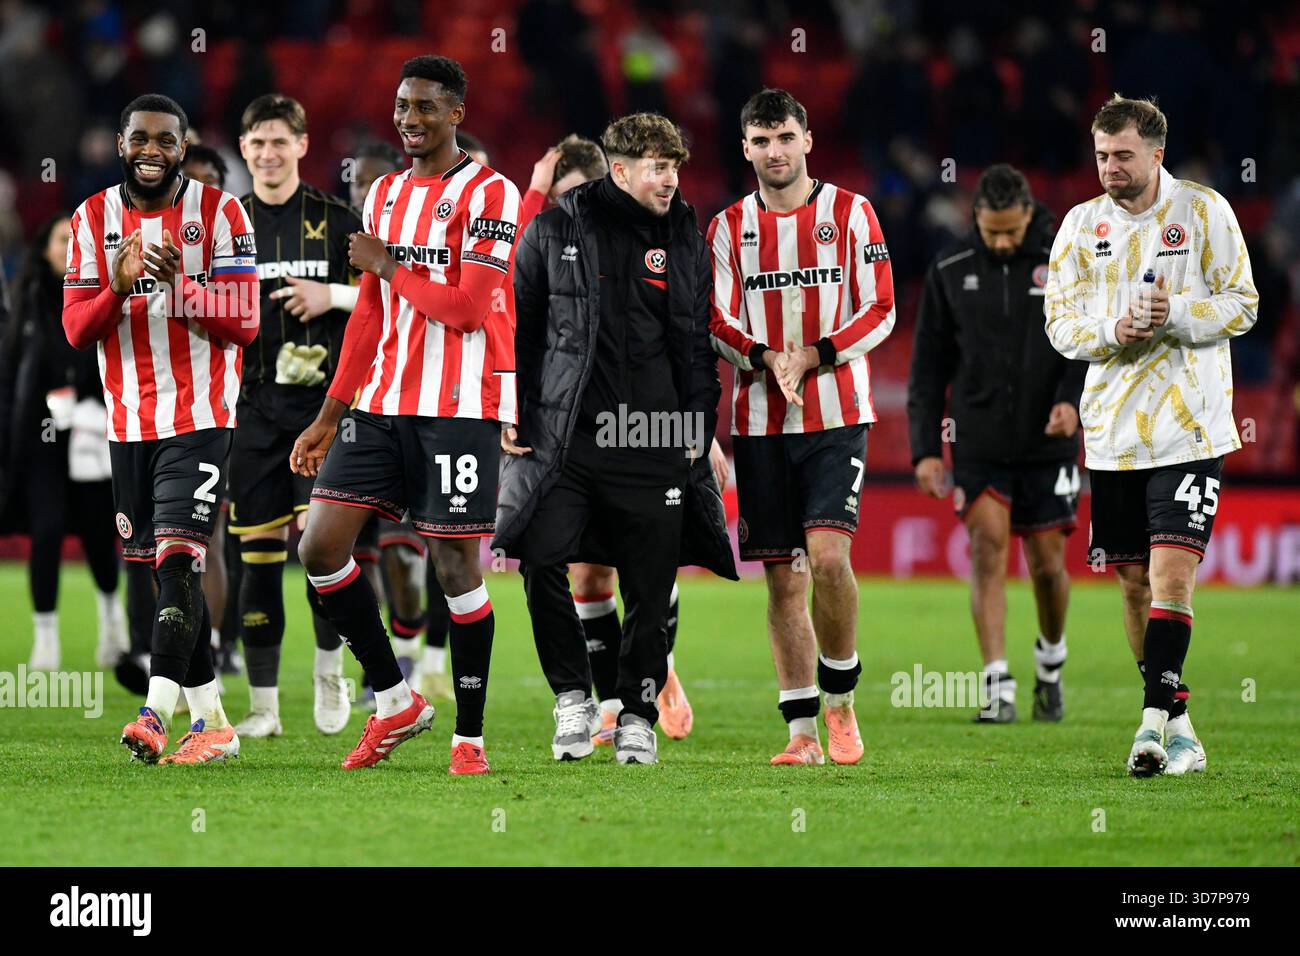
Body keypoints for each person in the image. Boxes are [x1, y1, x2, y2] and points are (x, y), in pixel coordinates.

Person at [291, 55, 521, 776]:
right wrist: (330, 414)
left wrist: (390, 265)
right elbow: (367, 315)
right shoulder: (384, 192)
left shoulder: (492, 193)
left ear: (457, 112)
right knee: (320, 549)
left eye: (425, 107)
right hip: (381, 405)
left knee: (455, 567)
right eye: (401, 107)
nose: (410, 120)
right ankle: (395, 700)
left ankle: (469, 740)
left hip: (456, 409)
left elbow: (467, 307)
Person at [495, 112, 736, 766]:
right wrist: (511, 405)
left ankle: (635, 714)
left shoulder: (683, 234)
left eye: (675, 167)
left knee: (651, 588)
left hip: (653, 437)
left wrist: (697, 427)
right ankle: (573, 698)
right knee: (542, 560)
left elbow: (693, 343)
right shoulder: (556, 228)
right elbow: (519, 321)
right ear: (620, 170)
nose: (669, 180)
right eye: (657, 168)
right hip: (568, 438)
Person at [1044, 94, 1257, 776]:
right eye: (1102, 155)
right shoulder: (1079, 226)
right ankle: (1182, 728)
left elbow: (1243, 303)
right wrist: (1113, 331)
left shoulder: (1203, 211)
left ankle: (1147, 727)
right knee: (1133, 582)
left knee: (1170, 577)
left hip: (1190, 430)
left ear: (1156, 154)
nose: (1109, 167)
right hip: (1112, 437)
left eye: (1123, 156)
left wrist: (1177, 314)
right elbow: (1059, 324)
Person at [62, 93, 260, 764]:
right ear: (121, 145)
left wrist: (184, 290)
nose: (152, 150)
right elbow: (75, 328)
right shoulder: (91, 219)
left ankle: (153, 714)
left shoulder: (223, 213)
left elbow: (245, 322)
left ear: (184, 147)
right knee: (158, 577)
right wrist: (117, 287)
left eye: (165, 141)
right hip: (128, 424)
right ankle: (215, 725)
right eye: (139, 138)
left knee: (181, 564)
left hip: (201, 417)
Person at [709, 89, 895, 766]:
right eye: (760, 142)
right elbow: (717, 320)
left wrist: (812, 355)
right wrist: (764, 358)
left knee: (828, 559)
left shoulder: (852, 213)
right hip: (759, 424)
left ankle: (841, 697)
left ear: (807, 140)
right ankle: (801, 733)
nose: (774, 152)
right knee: (784, 580)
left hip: (837, 414)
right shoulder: (728, 227)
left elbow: (881, 309)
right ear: (745, 150)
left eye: (784, 137)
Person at [908, 164, 1086, 723]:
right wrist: (926, 449)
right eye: (993, 232)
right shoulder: (951, 266)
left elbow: (1087, 340)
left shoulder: (1064, 260)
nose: (1004, 241)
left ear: (1029, 214)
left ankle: (1050, 664)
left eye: (1012, 231)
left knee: (1047, 563)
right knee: (987, 550)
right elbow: (928, 364)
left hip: (1047, 440)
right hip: (980, 438)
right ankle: (997, 685)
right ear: (976, 220)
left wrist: (1072, 399)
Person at [227, 94, 360, 738]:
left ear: (303, 146)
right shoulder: (228, 224)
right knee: (257, 556)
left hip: (323, 412)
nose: (269, 153)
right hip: (251, 413)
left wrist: (328, 293)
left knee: (319, 551)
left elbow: (388, 295)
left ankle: (331, 677)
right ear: (244, 148)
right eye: (257, 142)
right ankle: (263, 709)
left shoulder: (337, 219)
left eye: (281, 141)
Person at [0, 214, 127, 673]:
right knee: (47, 531)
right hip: (41, 441)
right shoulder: (27, 299)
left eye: (75, 240)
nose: (67, 247)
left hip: (92, 434)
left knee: (98, 535)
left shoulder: (102, 298)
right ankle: (45, 639)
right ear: (44, 248)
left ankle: (112, 619)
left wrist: (93, 408)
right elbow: (12, 374)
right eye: (60, 239)